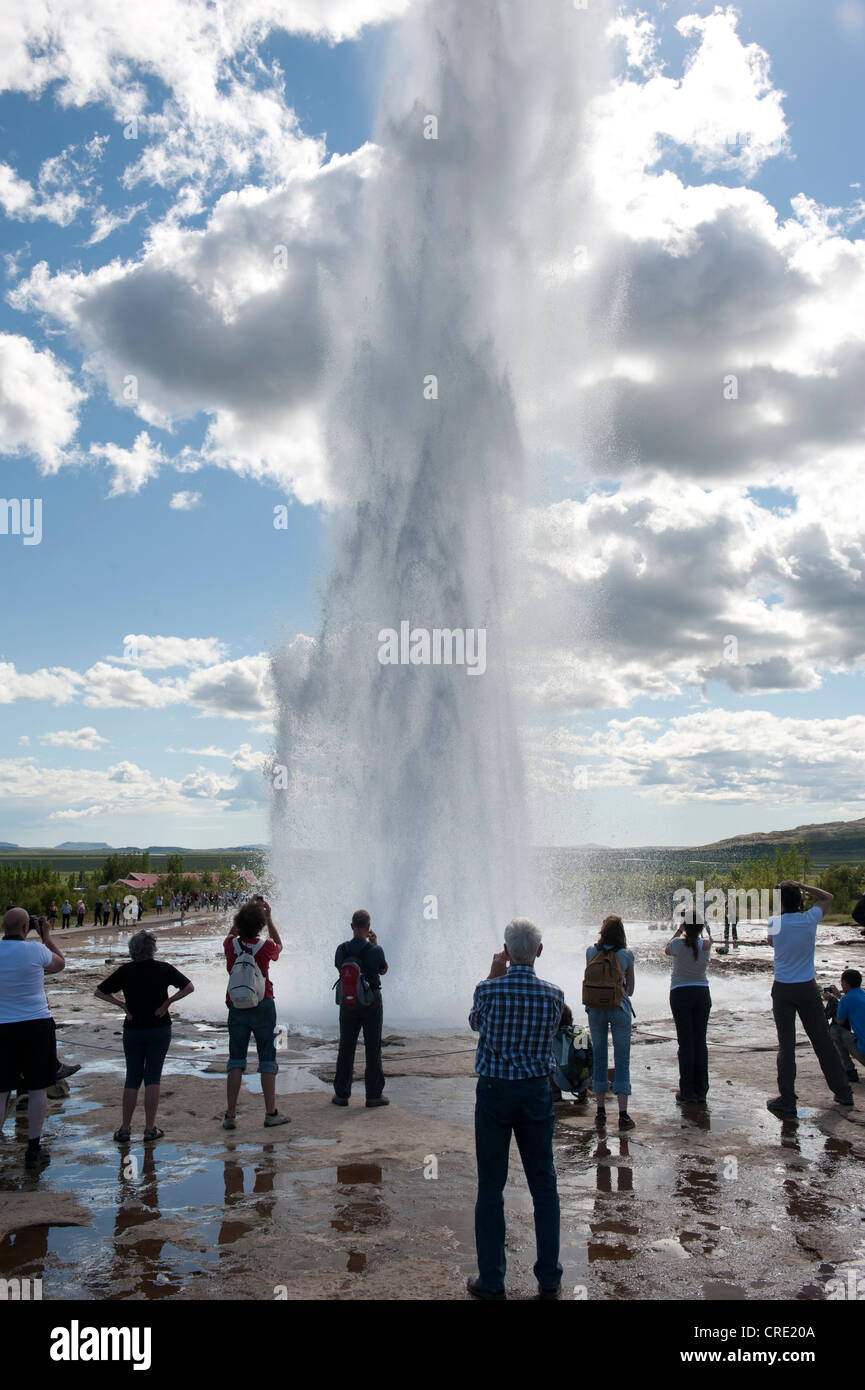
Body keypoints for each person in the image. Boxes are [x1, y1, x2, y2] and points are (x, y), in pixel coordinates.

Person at [468, 918, 563, 1300]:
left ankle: (492, 1280)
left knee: (491, 1186)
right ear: (538, 951)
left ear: (506, 952)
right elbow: (553, 1032)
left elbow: (476, 1023)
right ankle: (549, 1278)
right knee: (544, 1184)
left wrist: (491, 977)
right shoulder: (554, 995)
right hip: (536, 1093)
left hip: (494, 1093)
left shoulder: (488, 990)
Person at [95, 930, 194, 1141]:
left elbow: (100, 992)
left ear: (132, 950)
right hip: (159, 1027)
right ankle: (150, 1128)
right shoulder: (163, 969)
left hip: (133, 1027)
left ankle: (125, 1128)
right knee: (152, 1076)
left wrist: (122, 1005)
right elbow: (189, 987)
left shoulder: (126, 971)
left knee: (132, 1077)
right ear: (153, 949)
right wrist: (168, 1003)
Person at [766, 880, 853, 1116]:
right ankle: (843, 1093)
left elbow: (772, 943)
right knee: (822, 1042)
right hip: (807, 987)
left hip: (783, 988)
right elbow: (828, 897)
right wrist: (801, 885)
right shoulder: (809, 919)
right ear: (800, 900)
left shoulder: (774, 922)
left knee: (786, 1045)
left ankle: (787, 1098)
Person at [0, 909, 66, 1169]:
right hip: (36, 1025)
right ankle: (33, 1148)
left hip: (2, 1026)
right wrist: (47, 938)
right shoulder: (36, 951)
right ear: (27, 926)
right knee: (38, 1087)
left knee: (1, 1089)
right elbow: (60, 964)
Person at [222, 899, 289, 1130]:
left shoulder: (231, 944)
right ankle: (271, 1113)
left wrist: (244, 910)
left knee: (236, 1060)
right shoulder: (265, 946)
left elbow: (229, 937)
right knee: (268, 1058)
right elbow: (280, 945)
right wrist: (269, 918)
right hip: (263, 1004)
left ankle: (230, 1115)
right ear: (260, 925)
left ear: (239, 923)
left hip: (236, 1006)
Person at [332, 909, 389, 1108]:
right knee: (373, 1047)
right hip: (371, 1001)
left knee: (346, 1047)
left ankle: (341, 1095)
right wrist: (375, 944)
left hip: (348, 1002)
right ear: (368, 926)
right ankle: (373, 1096)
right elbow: (383, 969)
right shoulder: (375, 950)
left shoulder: (342, 949)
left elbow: (339, 967)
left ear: (352, 926)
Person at [584, 914, 636, 1130]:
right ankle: (623, 1115)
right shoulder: (626, 955)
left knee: (599, 1056)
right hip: (619, 1008)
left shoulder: (590, 952)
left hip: (595, 1009)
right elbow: (630, 990)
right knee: (622, 1058)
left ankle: (600, 1112)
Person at [666, 913, 712, 1103]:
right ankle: (701, 1089)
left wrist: (679, 929)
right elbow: (707, 940)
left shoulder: (677, 944)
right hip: (702, 992)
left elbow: (667, 949)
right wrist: (704, 929)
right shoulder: (705, 945)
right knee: (700, 1042)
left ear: (685, 926)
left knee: (685, 1043)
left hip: (680, 993)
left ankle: (687, 1091)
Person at [827, 969, 865, 1083]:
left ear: (845, 983)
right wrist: (840, 997)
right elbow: (851, 1002)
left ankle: (849, 1070)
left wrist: (831, 1001)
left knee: (835, 1030)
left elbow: (840, 1022)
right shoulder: (862, 994)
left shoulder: (846, 999)